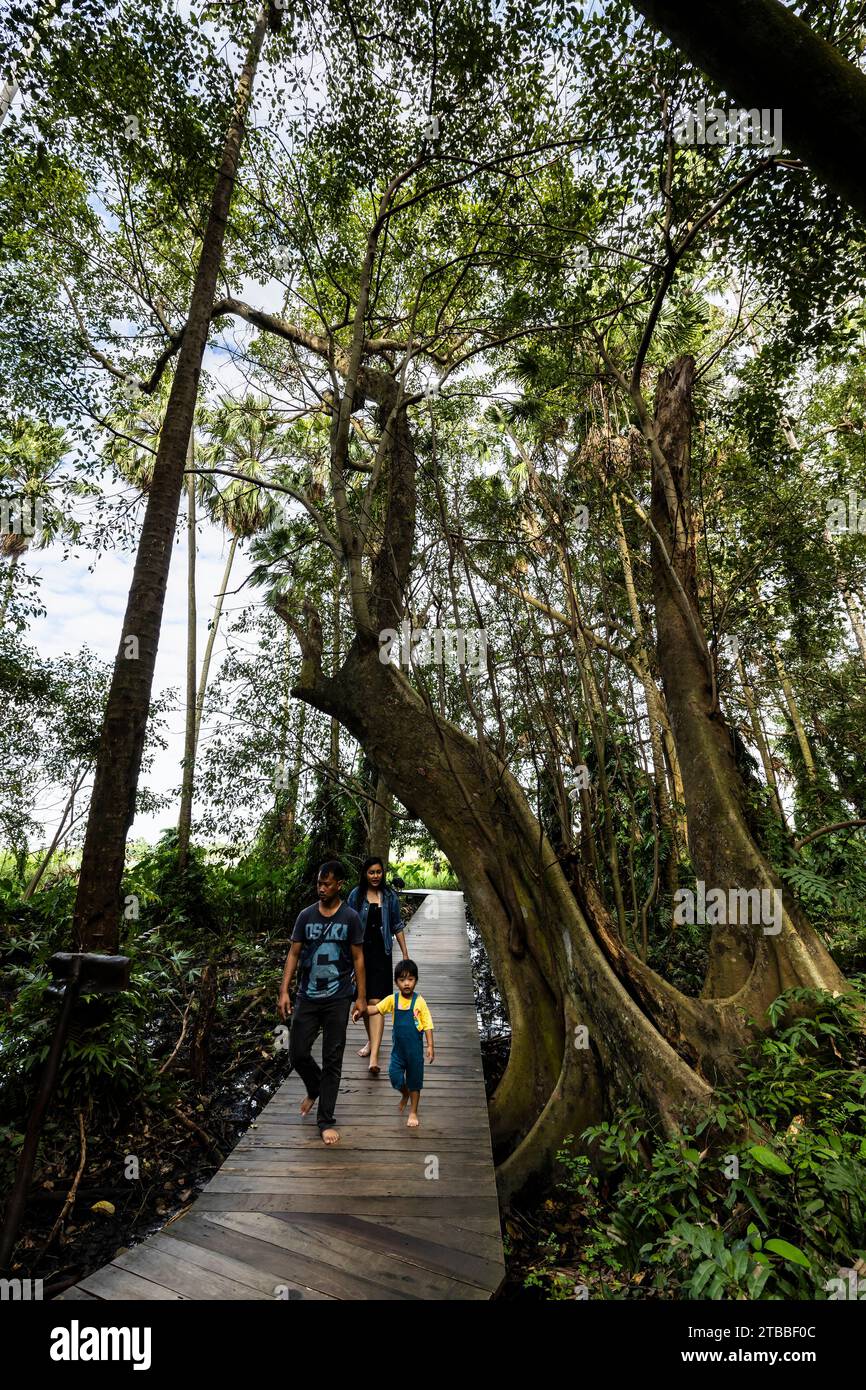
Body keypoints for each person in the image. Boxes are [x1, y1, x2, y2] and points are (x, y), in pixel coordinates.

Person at [277, 861, 365, 1146]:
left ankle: (325, 1120)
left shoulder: (350, 918)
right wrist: (284, 991)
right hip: (307, 995)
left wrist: (361, 998)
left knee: (333, 1059)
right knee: (297, 1053)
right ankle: (314, 1086)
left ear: (339, 884)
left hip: (338, 998)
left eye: (327, 884)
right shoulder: (305, 916)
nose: (322, 888)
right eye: (319, 883)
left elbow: (358, 959)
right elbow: (293, 953)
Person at [353, 959, 434, 1128]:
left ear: (416, 980)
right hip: (398, 1052)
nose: (406, 983)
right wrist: (361, 1011)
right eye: (402, 980)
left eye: (410, 979)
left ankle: (413, 1111)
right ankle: (404, 1094)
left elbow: (427, 1024)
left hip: (415, 1052)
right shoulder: (393, 999)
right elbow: (375, 1009)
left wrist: (430, 1046)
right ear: (396, 982)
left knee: (415, 1082)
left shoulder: (419, 1002)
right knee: (394, 1076)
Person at [346, 857, 408, 1076]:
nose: (375, 876)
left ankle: (374, 1056)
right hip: (360, 956)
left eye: (379, 872)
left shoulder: (389, 896)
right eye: (371, 872)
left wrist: (406, 955)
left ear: (383, 873)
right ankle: (372, 1042)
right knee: (363, 1002)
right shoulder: (356, 895)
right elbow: (349, 927)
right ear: (365, 874)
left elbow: (397, 925)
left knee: (377, 1002)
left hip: (382, 954)